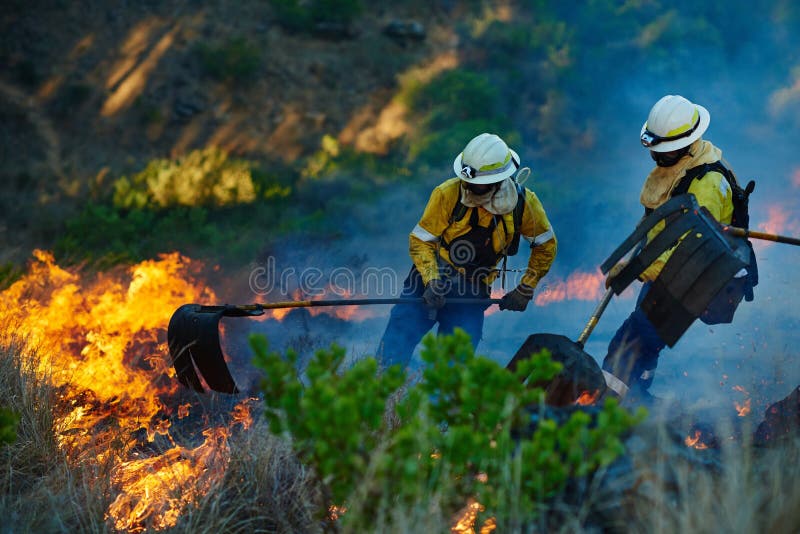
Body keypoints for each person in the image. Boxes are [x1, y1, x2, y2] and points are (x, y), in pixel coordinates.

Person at [602, 94, 746, 398]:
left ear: (688, 144)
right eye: (656, 153)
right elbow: (659, 223)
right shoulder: (682, 168)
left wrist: (636, 269)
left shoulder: (707, 183)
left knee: (627, 345)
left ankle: (608, 409)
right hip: (667, 274)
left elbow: (688, 247)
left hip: (693, 278)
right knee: (645, 341)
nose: (657, 159)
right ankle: (639, 402)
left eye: (664, 154)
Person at [376, 133, 557, 370]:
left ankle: (438, 407)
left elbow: (546, 245)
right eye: (465, 179)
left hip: (473, 291)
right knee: (392, 354)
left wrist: (526, 287)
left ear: (498, 180)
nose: (467, 186)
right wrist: (431, 281)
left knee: (452, 370)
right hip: (428, 281)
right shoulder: (447, 193)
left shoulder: (524, 204)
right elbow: (420, 241)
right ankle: (384, 402)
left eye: (476, 183)